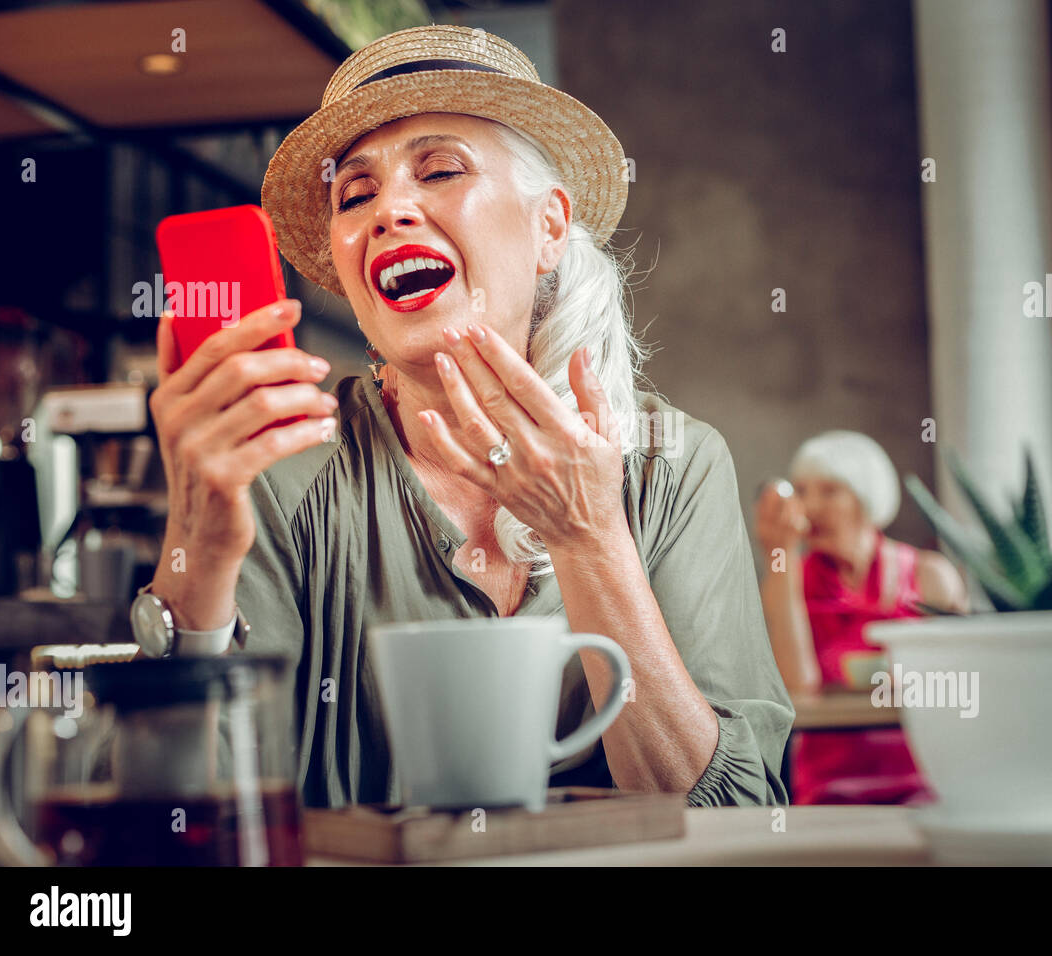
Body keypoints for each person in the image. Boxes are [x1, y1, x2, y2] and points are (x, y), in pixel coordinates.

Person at [140, 25, 793, 808]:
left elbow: (734, 818)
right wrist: (197, 552)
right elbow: (182, 818)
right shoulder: (280, 468)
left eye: (440, 170)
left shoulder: (673, 464)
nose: (390, 211)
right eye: (355, 194)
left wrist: (587, 534)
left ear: (549, 226)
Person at [755, 431, 966, 804]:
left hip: (929, 779)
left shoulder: (931, 575)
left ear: (867, 499)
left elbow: (964, 682)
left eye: (829, 491)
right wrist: (781, 555)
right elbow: (798, 689)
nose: (810, 507)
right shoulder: (789, 579)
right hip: (829, 787)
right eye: (801, 492)